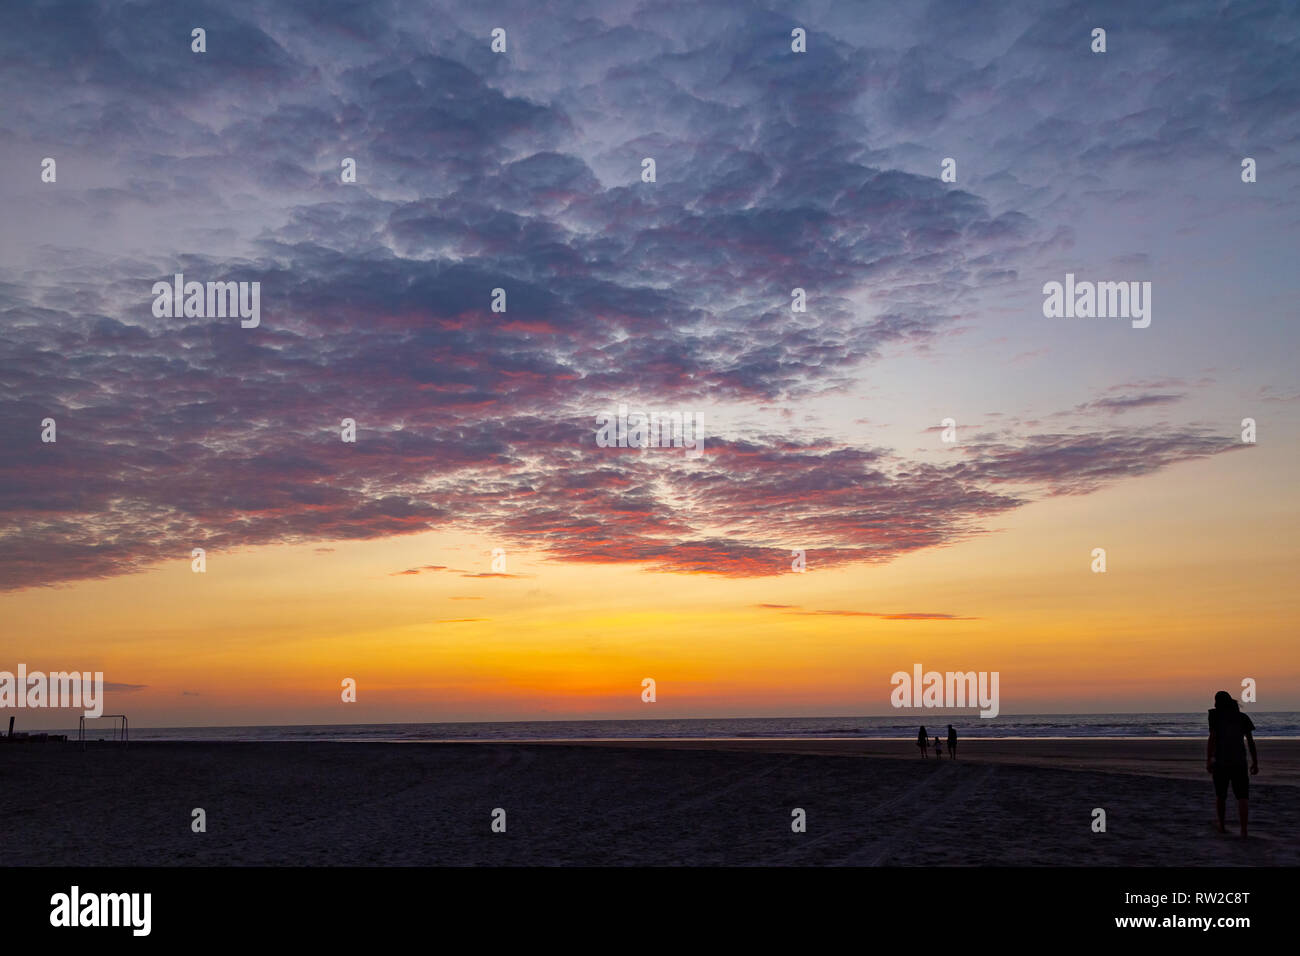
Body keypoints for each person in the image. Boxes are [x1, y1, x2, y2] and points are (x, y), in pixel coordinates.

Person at [1206, 690, 1258, 837]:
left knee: (1221, 795)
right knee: (1242, 796)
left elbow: (1212, 739)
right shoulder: (1242, 717)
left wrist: (1209, 759)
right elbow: (1250, 742)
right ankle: (1243, 829)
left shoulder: (1215, 717)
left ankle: (1222, 826)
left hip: (1221, 761)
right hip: (1239, 761)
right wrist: (1255, 761)